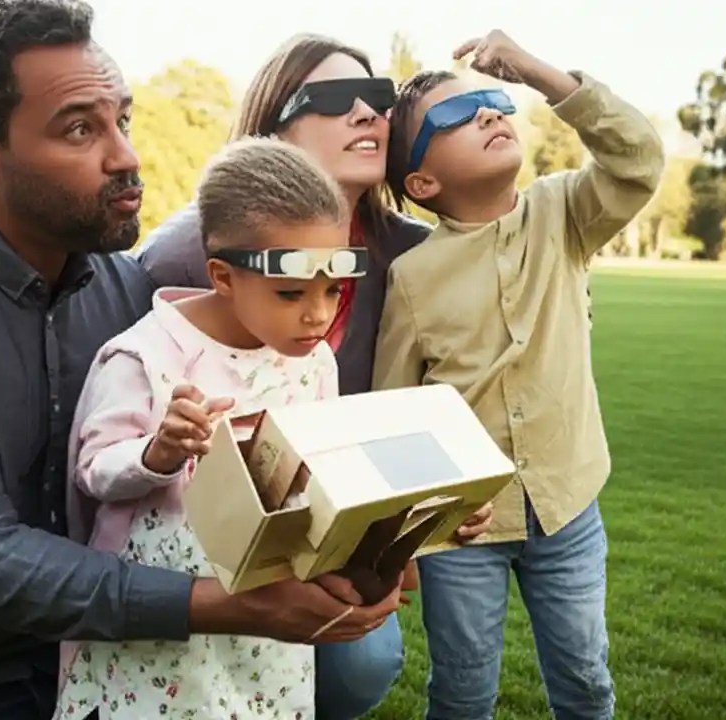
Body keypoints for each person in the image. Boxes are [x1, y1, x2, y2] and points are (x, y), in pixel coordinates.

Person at [0, 3, 397, 719]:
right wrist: (234, 607)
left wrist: (379, 533)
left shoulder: (120, 286)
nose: (126, 156)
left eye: (123, 119)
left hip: (79, 654)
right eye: (80, 129)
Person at [136, 33, 494, 719]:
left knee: (364, 660)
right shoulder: (182, 253)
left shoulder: (415, 257)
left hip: (343, 523)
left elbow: (425, 405)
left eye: (378, 98)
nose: (368, 112)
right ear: (272, 130)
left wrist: (438, 504)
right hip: (201, 521)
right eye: (333, 99)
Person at [373, 28, 666, 720]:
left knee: (586, 680)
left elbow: (639, 160)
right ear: (422, 183)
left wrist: (539, 73)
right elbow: (394, 409)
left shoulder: (563, 213)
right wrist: (421, 518)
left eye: (493, 101)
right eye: (454, 114)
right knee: (463, 690)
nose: (487, 113)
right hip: (463, 532)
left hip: (568, 511)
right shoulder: (412, 278)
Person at [57, 136, 374, 718]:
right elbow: (93, 474)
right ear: (223, 277)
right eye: (291, 293)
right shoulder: (147, 356)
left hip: (266, 634)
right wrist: (157, 453)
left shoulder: (314, 360)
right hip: (163, 635)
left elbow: (324, 480)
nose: (319, 315)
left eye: (334, 290)